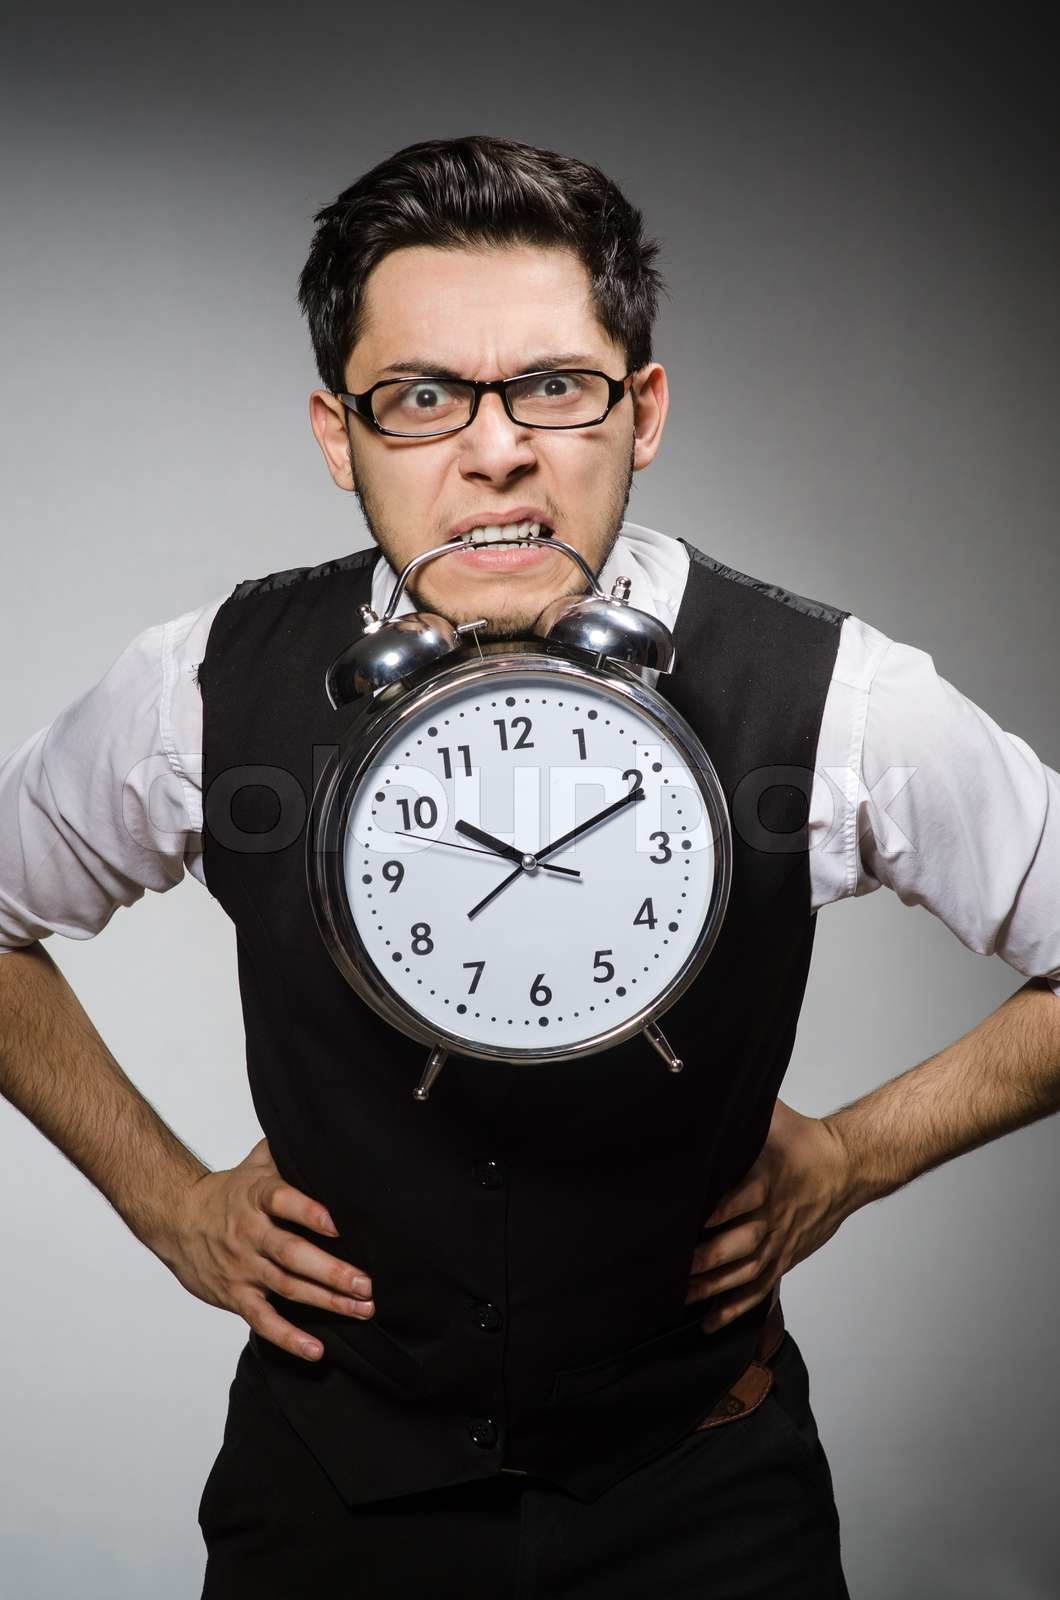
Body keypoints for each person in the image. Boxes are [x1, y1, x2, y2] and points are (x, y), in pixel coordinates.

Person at [1, 133, 1058, 1600]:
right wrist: (165, 1199)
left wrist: (860, 1155)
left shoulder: (835, 696)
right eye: (423, 397)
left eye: (554, 386)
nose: (496, 448)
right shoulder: (202, 684)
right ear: (338, 434)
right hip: (329, 1509)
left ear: (643, 412)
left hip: (703, 1504)